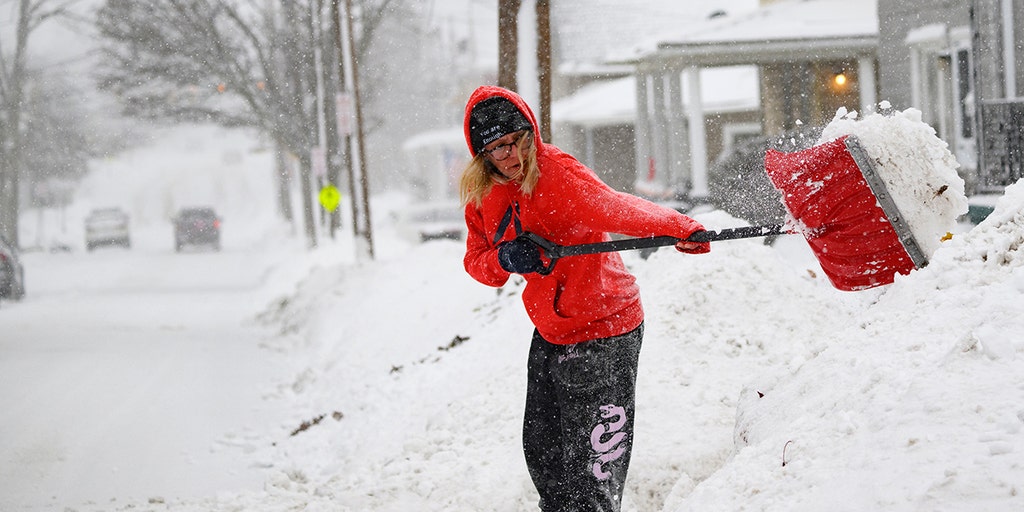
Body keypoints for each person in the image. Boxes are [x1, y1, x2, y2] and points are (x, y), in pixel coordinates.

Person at [458, 85, 710, 512]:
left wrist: (678, 227)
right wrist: (505, 257)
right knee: (545, 455)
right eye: (497, 149)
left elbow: (616, 207)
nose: (512, 156)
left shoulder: (556, 174)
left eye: (517, 140)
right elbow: (476, 261)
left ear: (529, 132)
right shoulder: (484, 195)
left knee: (592, 472)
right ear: (482, 154)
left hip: (605, 328)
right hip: (552, 332)